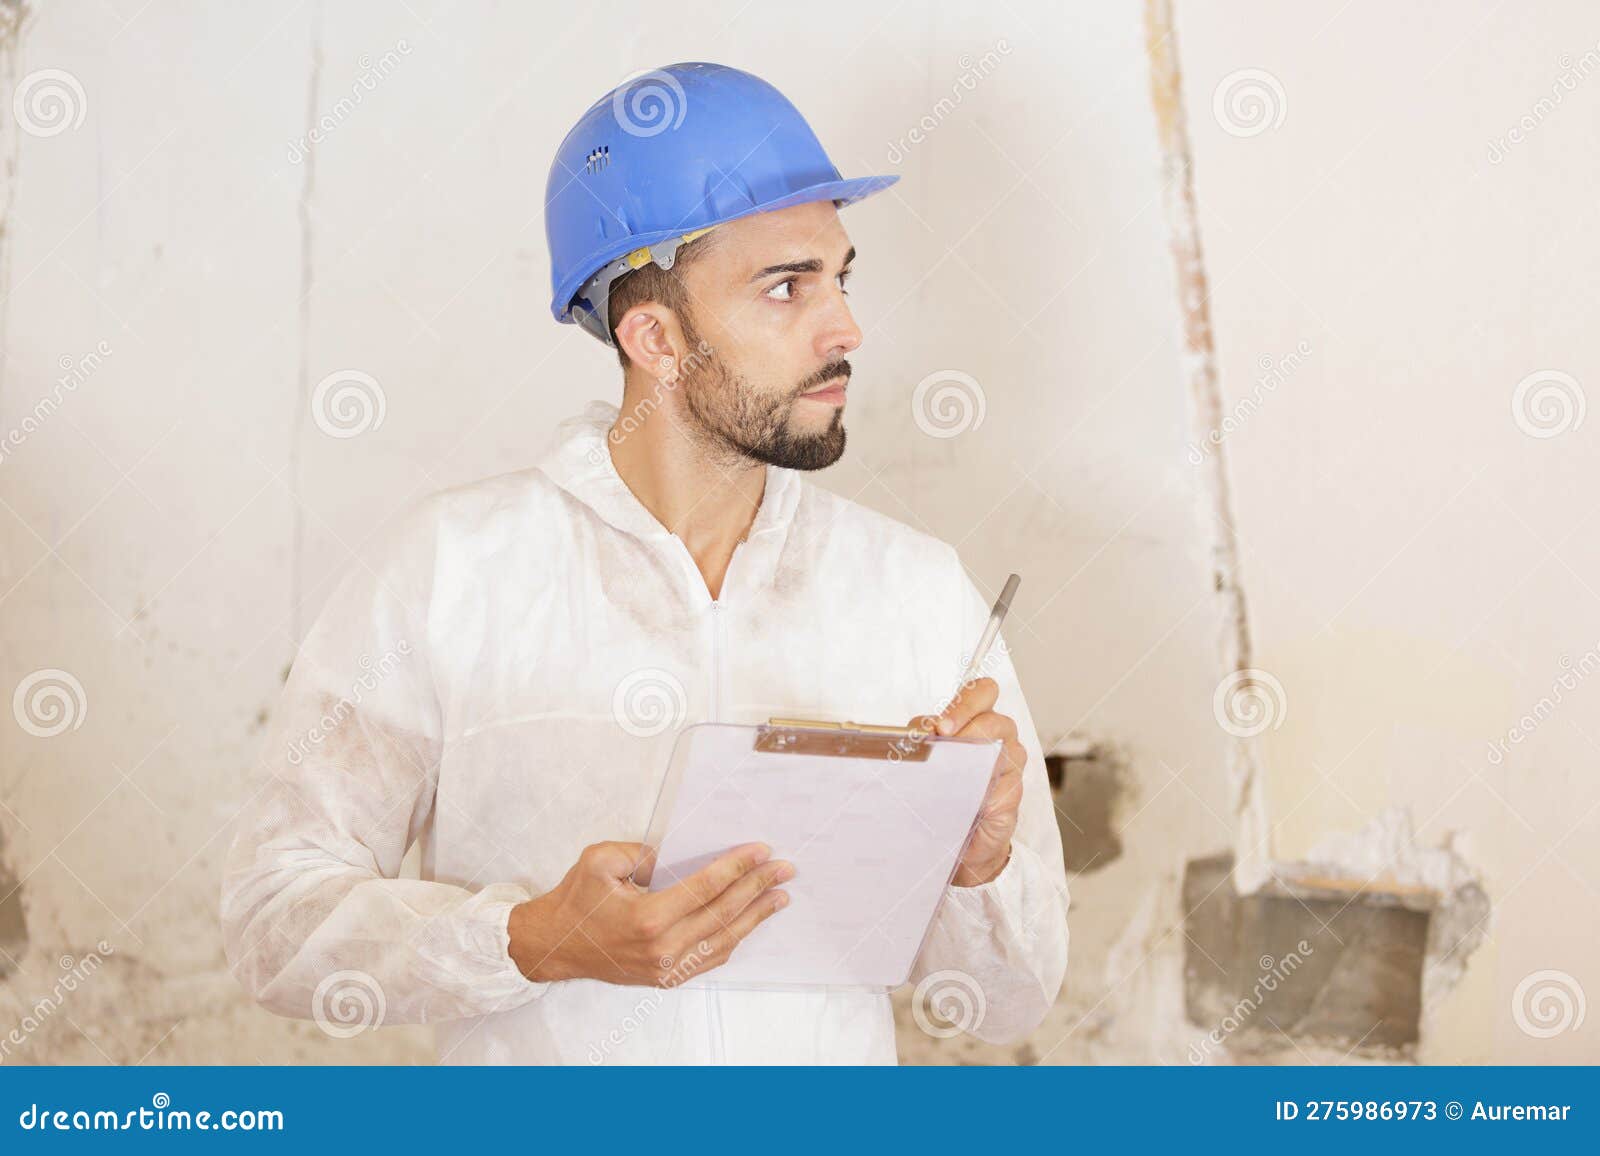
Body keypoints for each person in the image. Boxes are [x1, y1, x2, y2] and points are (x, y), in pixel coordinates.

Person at [221, 61, 1068, 1065]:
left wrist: (975, 866)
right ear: (655, 337)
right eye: (785, 286)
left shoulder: (913, 592)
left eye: (839, 277)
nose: (845, 328)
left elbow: (1007, 1004)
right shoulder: (452, 573)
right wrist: (530, 939)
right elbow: (273, 919)